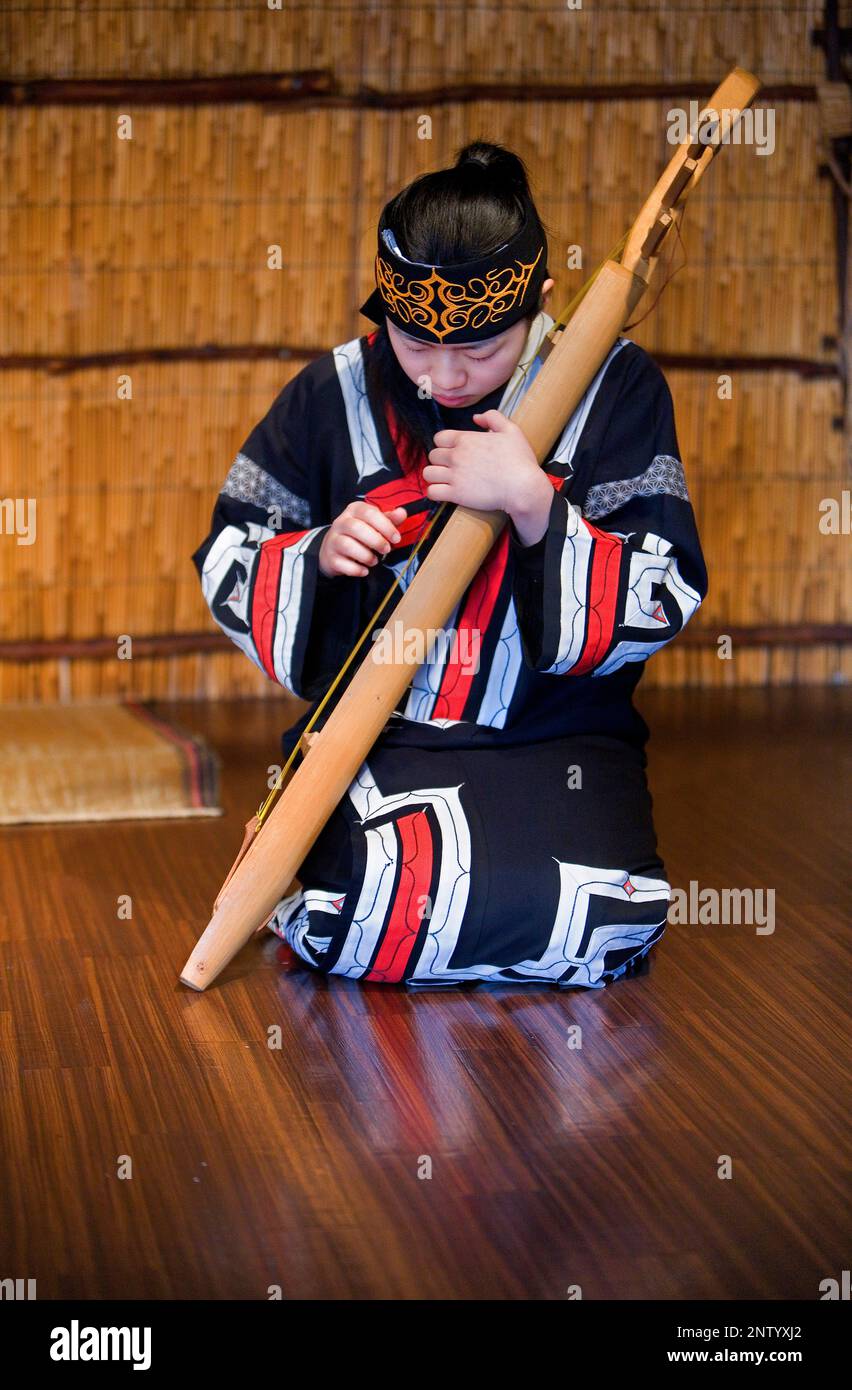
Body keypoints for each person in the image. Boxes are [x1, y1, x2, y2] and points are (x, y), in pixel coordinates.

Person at [192, 141, 708, 989]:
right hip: (377, 741)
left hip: (555, 738)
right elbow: (230, 555)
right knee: (365, 911)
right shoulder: (334, 392)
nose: (441, 375)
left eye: (478, 349)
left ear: (541, 304)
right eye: (413, 342)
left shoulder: (619, 387)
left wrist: (538, 505)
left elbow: (664, 583)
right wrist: (318, 555)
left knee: (592, 917)